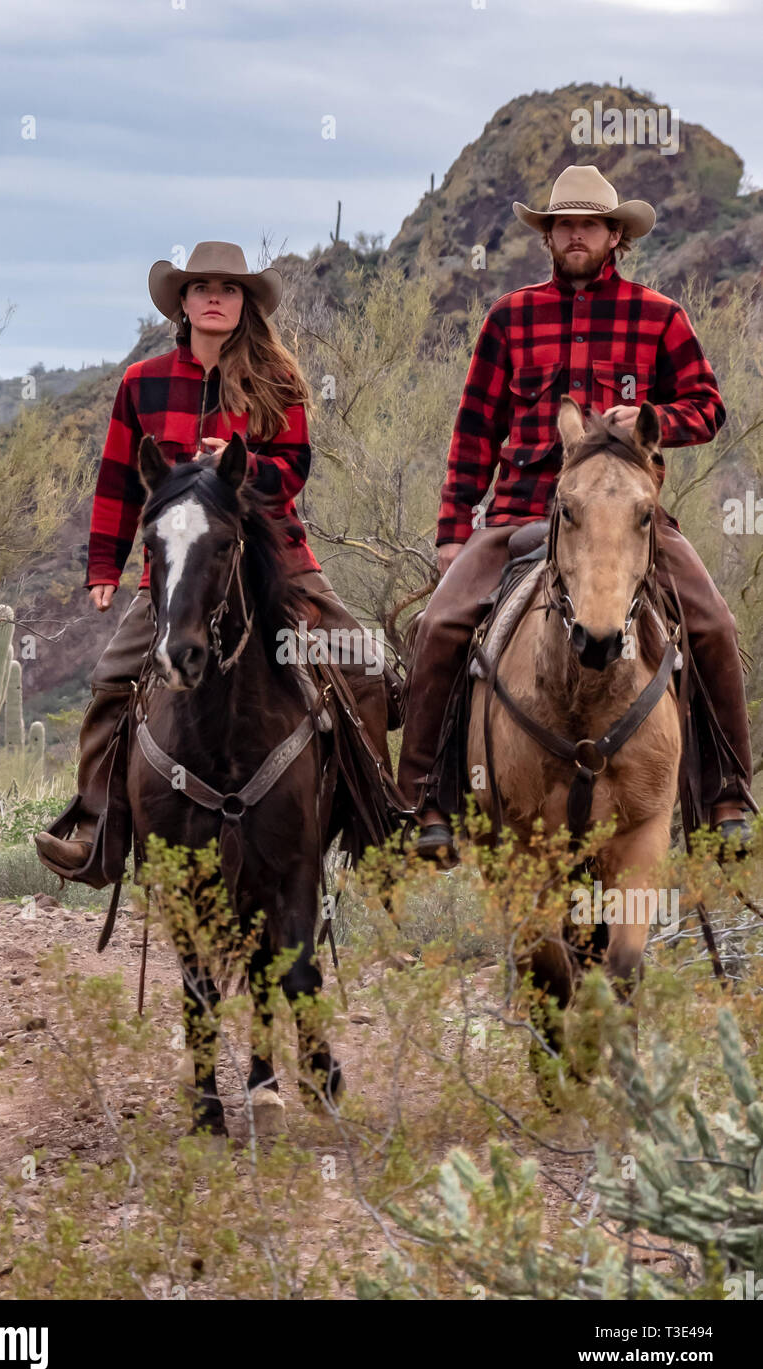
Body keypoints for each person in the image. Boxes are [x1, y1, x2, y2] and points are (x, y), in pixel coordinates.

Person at [398, 165, 754, 859]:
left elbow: (709, 408)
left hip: (625, 519)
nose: (575, 236)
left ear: (615, 235)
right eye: (563, 225)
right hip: (519, 513)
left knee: (712, 622)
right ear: (548, 237)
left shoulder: (659, 317)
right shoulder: (509, 318)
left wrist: (649, 417)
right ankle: (426, 804)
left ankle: (727, 797)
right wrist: (451, 533)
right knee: (439, 625)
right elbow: (474, 430)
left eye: (588, 224)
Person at [37, 241, 397, 873]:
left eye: (227, 289)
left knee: (360, 663)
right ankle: (98, 830)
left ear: (244, 304)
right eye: (201, 286)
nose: (213, 297)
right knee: (111, 681)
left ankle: (380, 822)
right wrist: (104, 566)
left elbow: (293, 471)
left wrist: (238, 466)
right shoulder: (141, 383)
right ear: (182, 301)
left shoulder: (277, 380)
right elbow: (120, 478)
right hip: (177, 576)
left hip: (277, 561)